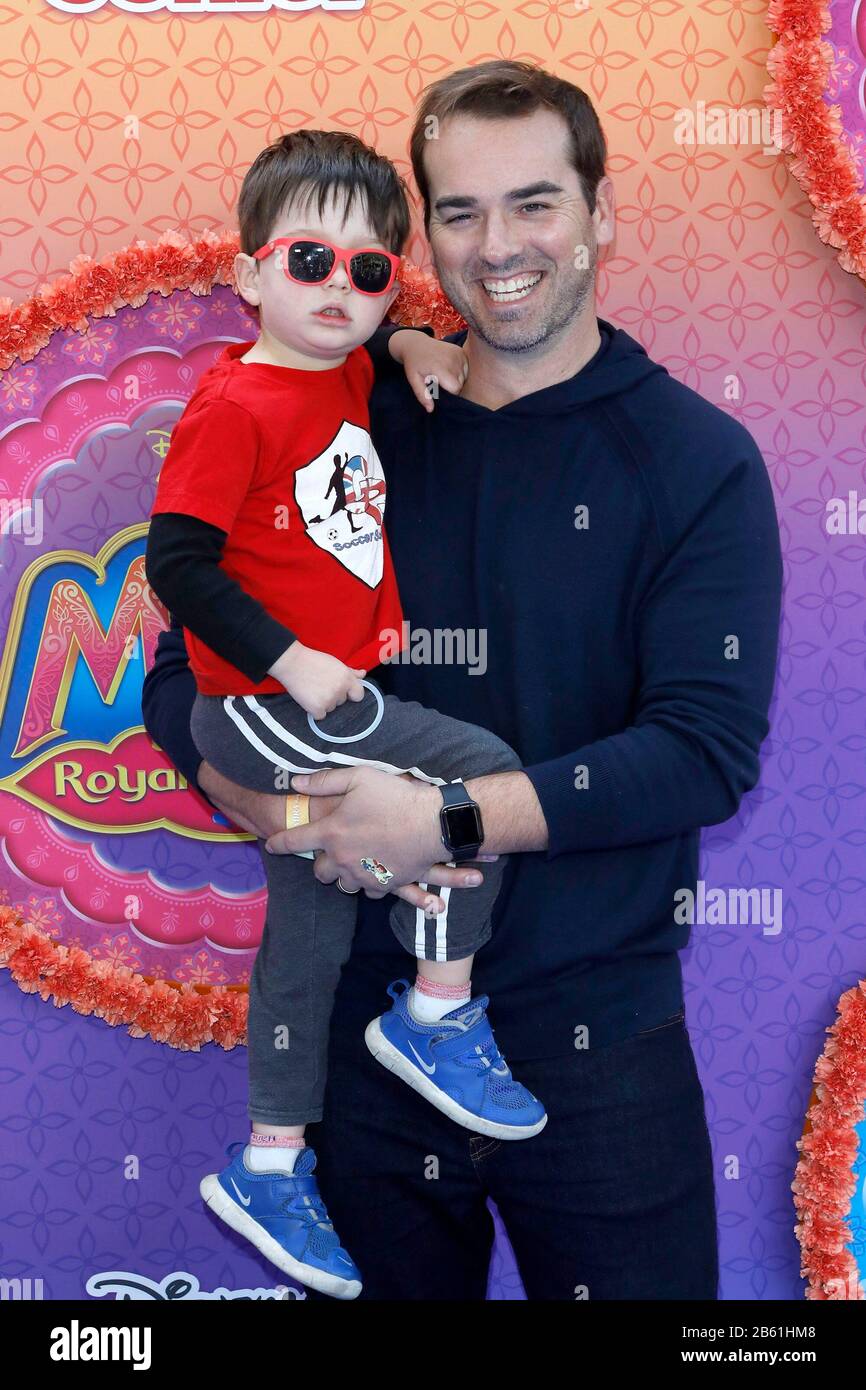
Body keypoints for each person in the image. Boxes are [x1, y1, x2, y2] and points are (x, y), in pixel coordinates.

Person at [142, 61, 783, 1301]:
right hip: (360, 1049)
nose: (499, 247)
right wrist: (297, 816)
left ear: (600, 213)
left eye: (534, 204)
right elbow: (185, 676)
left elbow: (702, 750)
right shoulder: (340, 415)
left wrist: (438, 821)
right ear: (421, 231)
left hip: (598, 1046)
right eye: (459, 212)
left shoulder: (695, 458)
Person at [144, 128, 548, 1302]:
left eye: (371, 273)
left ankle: (270, 1162)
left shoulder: (341, 368)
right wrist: (297, 662)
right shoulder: (234, 404)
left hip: (303, 701)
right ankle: (433, 1010)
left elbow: (373, 357)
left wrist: (414, 337)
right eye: (309, 262)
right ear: (249, 273)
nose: (340, 291)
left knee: (309, 940)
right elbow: (177, 561)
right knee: (473, 772)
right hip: (267, 705)